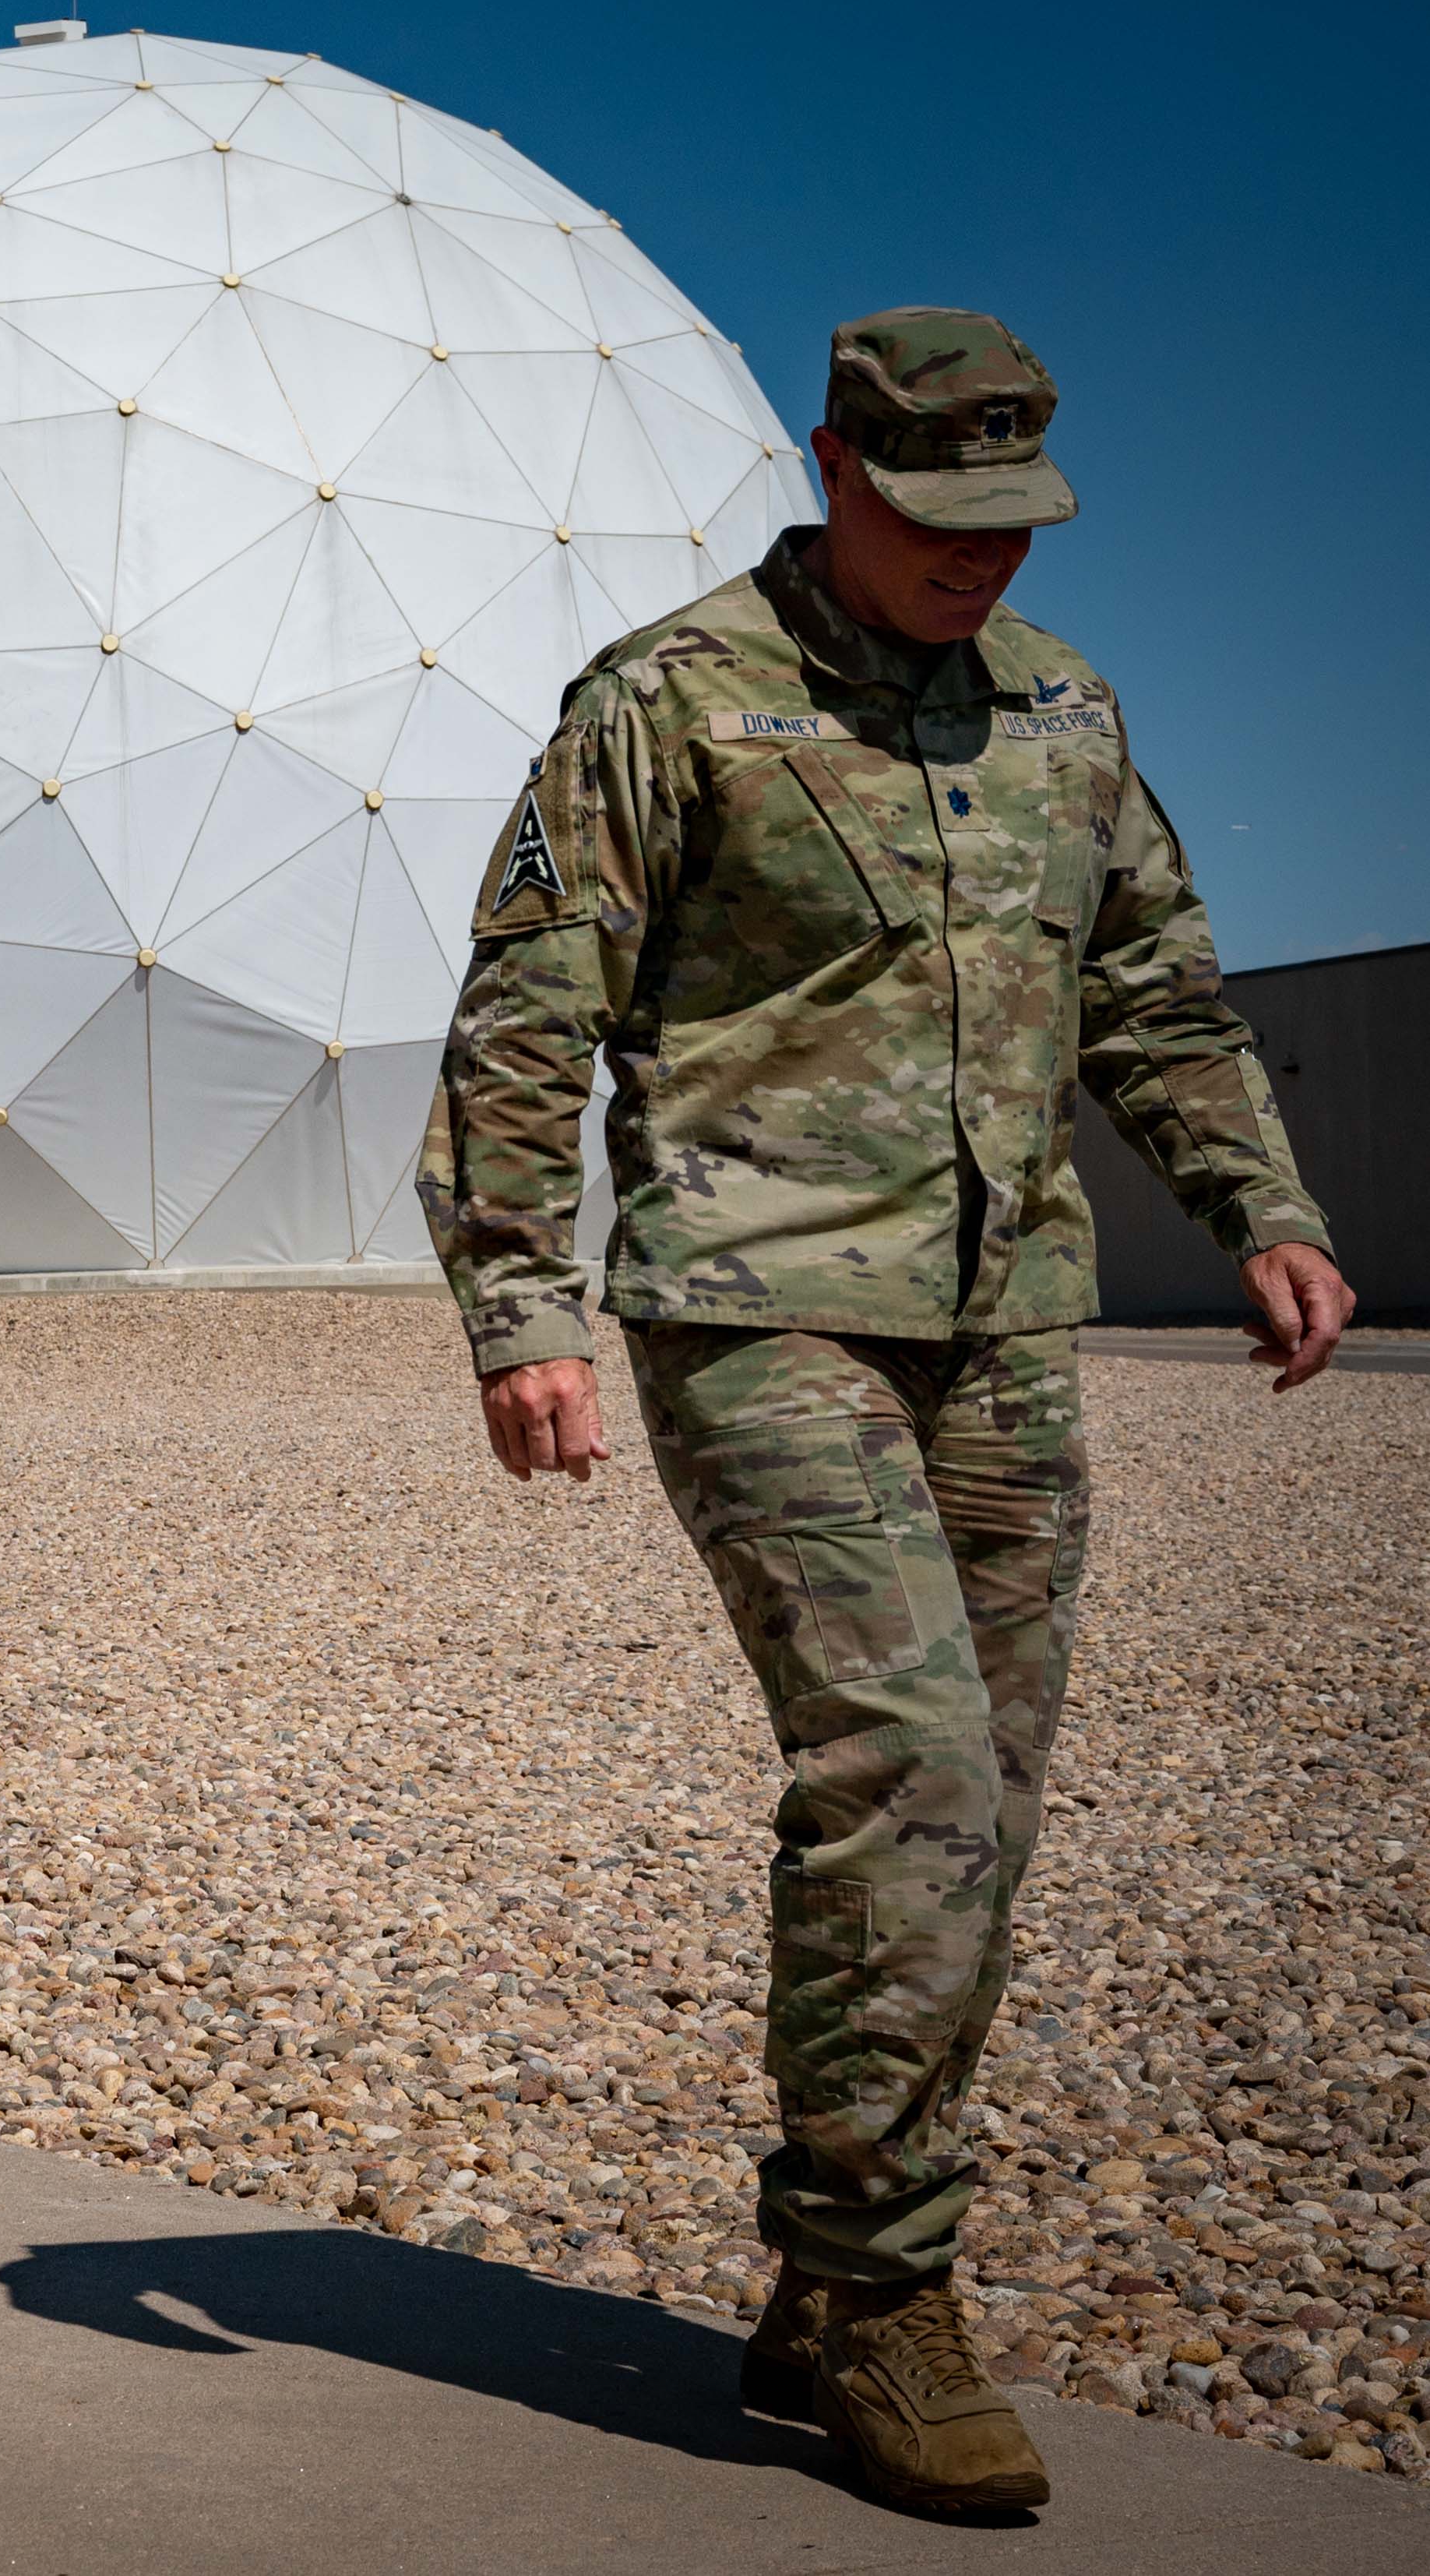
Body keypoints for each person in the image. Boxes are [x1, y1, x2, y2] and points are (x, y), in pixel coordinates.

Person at [424, 308, 1351, 2517]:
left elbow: (1146, 985)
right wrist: (515, 1307)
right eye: (934, 518)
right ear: (835, 464)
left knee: (982, 1811)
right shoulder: (670, 700)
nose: (975, 565)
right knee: (904, 1770)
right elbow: (525, 1018)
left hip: (1001, 1314)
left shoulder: (1058, 709)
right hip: (754, 1301)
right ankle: (882, 2288)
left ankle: (830, 2252)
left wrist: (1259, 1204)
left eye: (1007, 527)